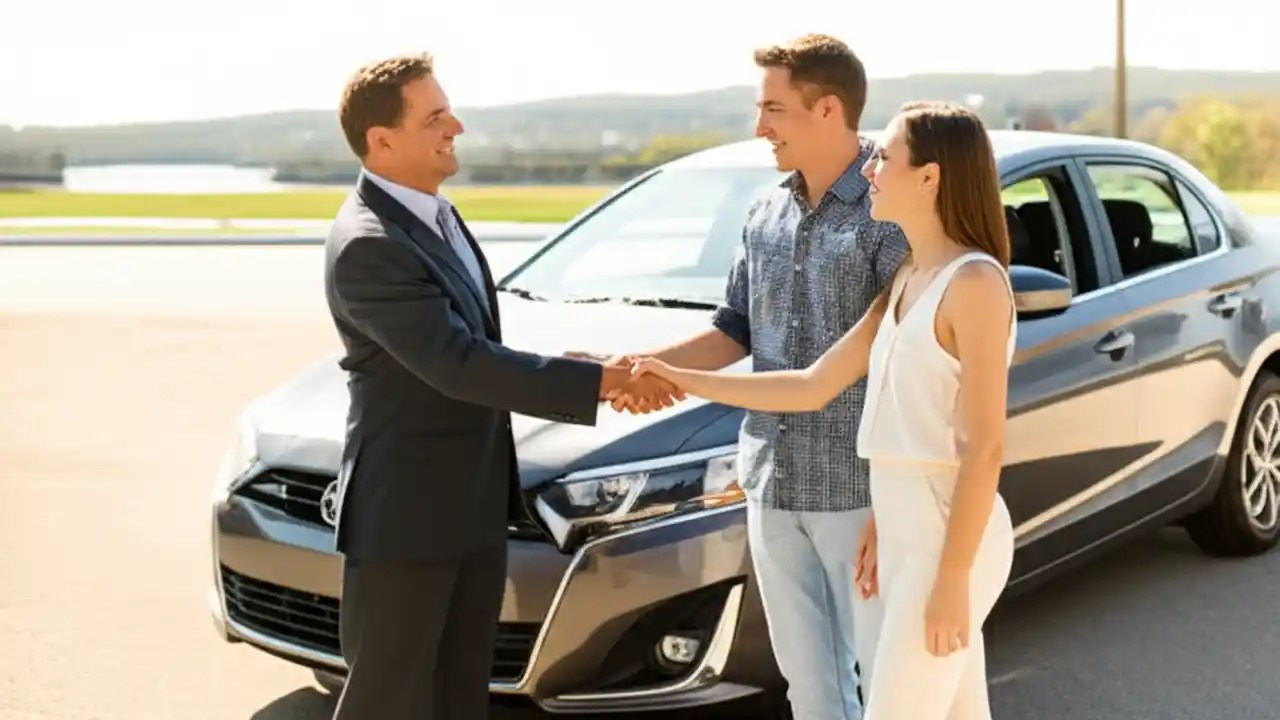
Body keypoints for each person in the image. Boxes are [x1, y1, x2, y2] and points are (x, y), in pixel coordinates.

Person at [630, 100, 1017, 720]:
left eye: (884, 157)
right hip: (903, 536)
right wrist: (684, 378)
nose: (870, 170)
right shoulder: (910, 279)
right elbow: (810, 385)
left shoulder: (973, 285)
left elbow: (983, 447)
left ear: (930, 177)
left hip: (948, 548)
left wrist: (952, 580)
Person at [321, 52, 671, 720]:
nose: (457, 124)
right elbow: (457, 364)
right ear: (382, 140)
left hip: (470, 510)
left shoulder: (435, 216)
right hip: (409, 522)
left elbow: (472, 345)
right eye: (435, 116)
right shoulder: (371, 243)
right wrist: (599, 383)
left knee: (461, 697)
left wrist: (573, 360)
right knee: (386, 701)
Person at [598, 34, 909, 719]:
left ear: (827, 110)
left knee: (893, 684)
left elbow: (911, 369)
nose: (759, 127)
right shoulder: (765, 211)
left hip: (861, 493)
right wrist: (638, 370)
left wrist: (898, 499)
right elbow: (733, 330)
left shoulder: (892, 215)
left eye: (773, 109)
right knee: (810, 685)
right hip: (772, 481)